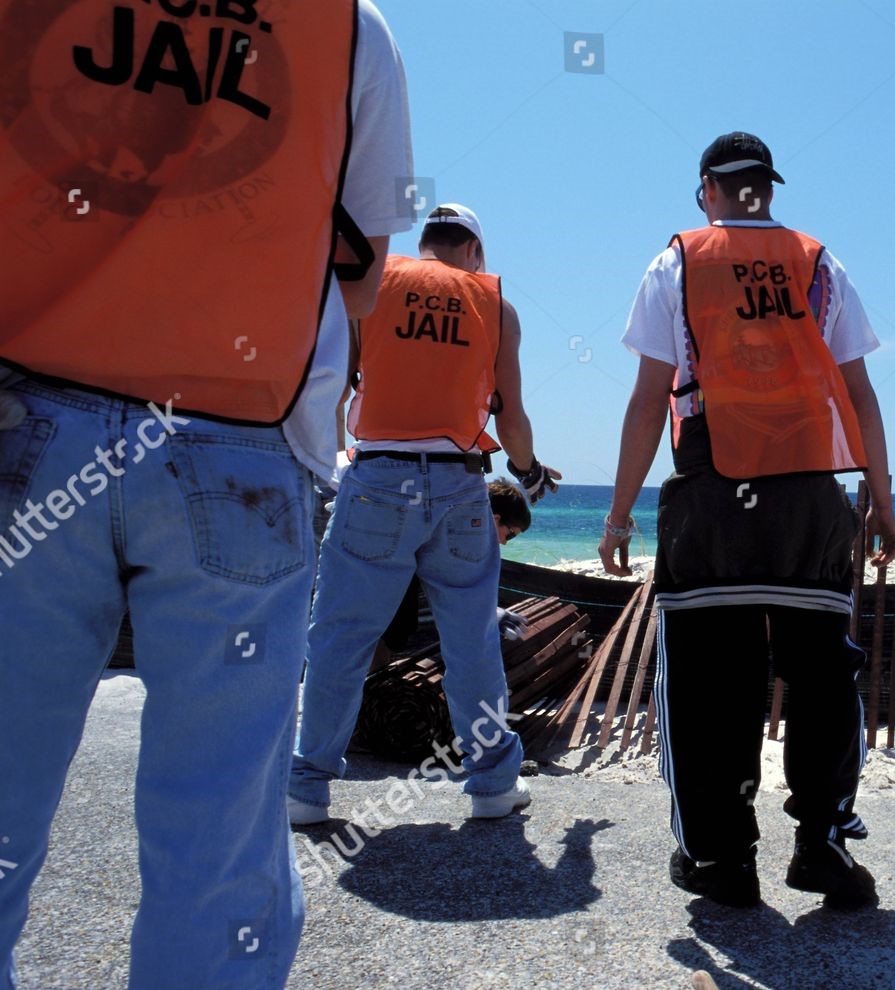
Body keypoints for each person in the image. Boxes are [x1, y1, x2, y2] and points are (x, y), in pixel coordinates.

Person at [0, 2, 412, 987]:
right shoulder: (352, 30)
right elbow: (361, 266)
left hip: (26, 426)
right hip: (237, 447)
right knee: (219, 846)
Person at [597, 131, 895, 910]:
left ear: (707, 189)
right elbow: (860, 392)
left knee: (710, 685)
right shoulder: (818, 263)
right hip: (808, 492)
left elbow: (646, 401)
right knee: (826, 677)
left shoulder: (679, 262)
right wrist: (881, 496)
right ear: (767, 186)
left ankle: (721, 859)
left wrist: (620, 509)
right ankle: (824, 844)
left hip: (713, 491)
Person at [288, 204, 560, 825]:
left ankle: (307, 786)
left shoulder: (375, 282)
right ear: (475, 254)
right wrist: (530, 473)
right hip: (461, 487)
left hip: (377, 477)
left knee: (340, 635)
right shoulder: (494, 305)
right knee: (472, 643)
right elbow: (510, 418)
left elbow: (332, 384)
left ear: (426, 243)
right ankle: (492, 783)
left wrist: (330, 472)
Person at [378, 479, 533, 655]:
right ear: (495, 519)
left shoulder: (446, 517)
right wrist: (484, 613)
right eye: (510, 534)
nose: (504, 542)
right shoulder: (453, 537)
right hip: (387, 608)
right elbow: (446, 581)